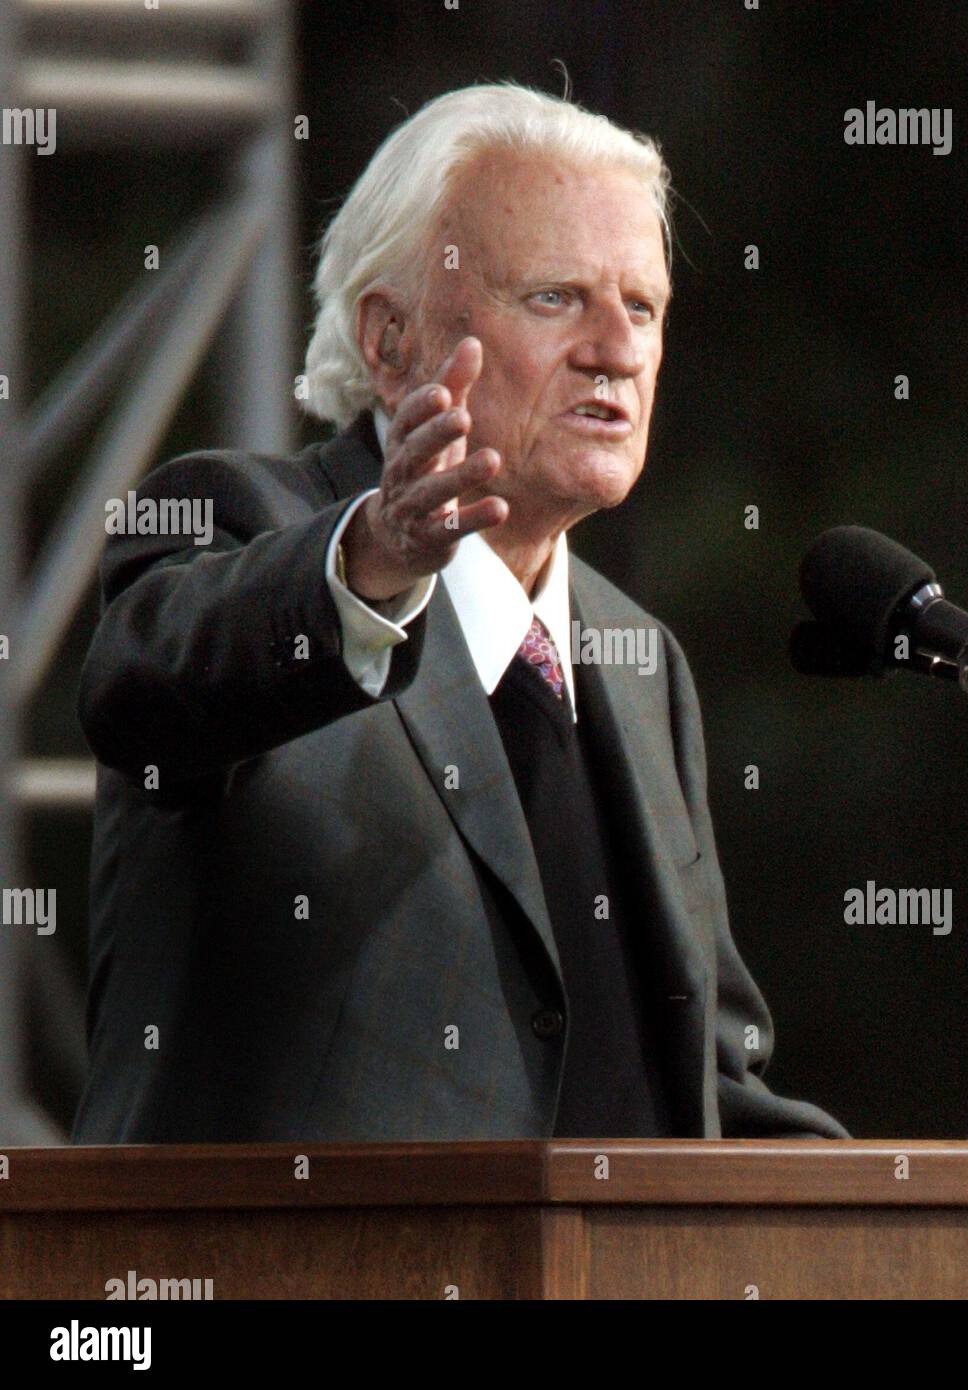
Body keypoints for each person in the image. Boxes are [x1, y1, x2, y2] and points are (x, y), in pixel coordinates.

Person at [72, 83, 847, 1143]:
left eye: (644, 305)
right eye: (555, 297)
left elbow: (701, 1088)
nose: (616, 348)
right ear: (390, 340)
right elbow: (143, 691)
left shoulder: (638, 662)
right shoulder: (240, 527)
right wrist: (373, 560)